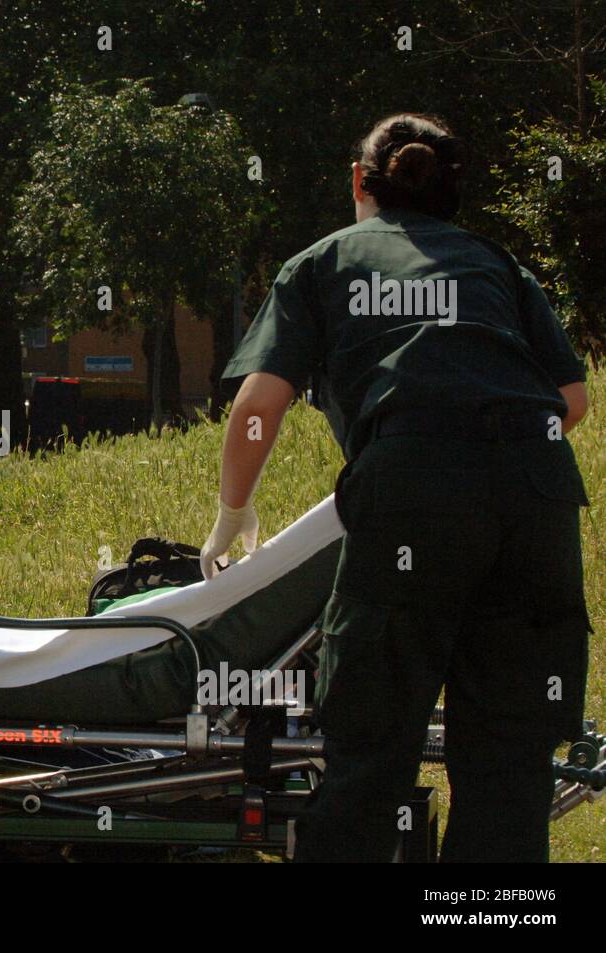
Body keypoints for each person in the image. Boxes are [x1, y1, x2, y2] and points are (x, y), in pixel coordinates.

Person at [200, 113, 591, 862]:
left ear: (359, 183)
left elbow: (256, 410)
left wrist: (233, 513)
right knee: (511, 767)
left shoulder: (326, 262)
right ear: (452, 196)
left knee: (370, 753)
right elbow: (570, 398)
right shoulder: (496, 265)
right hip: (538, 502)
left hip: (411, 497)